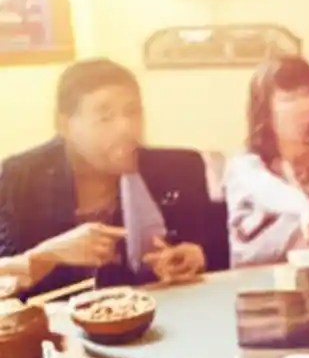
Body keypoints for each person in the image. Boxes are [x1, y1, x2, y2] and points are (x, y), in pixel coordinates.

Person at [0, 59, 215, 297]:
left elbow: (217, 250)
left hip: (155, 314)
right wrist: (48, 256)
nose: (126, 128)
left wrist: (194, 257)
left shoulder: (179, 169)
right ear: (64, 125)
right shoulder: (21, 177)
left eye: (133, 112)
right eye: (105, 117)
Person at [223, 56, 309, 267]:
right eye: (288, 99)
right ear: (266, 112)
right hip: (257, 287)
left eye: (306, 94)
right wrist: (306, 208)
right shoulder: (244, 165)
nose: (302, 107)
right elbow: (265, 188)